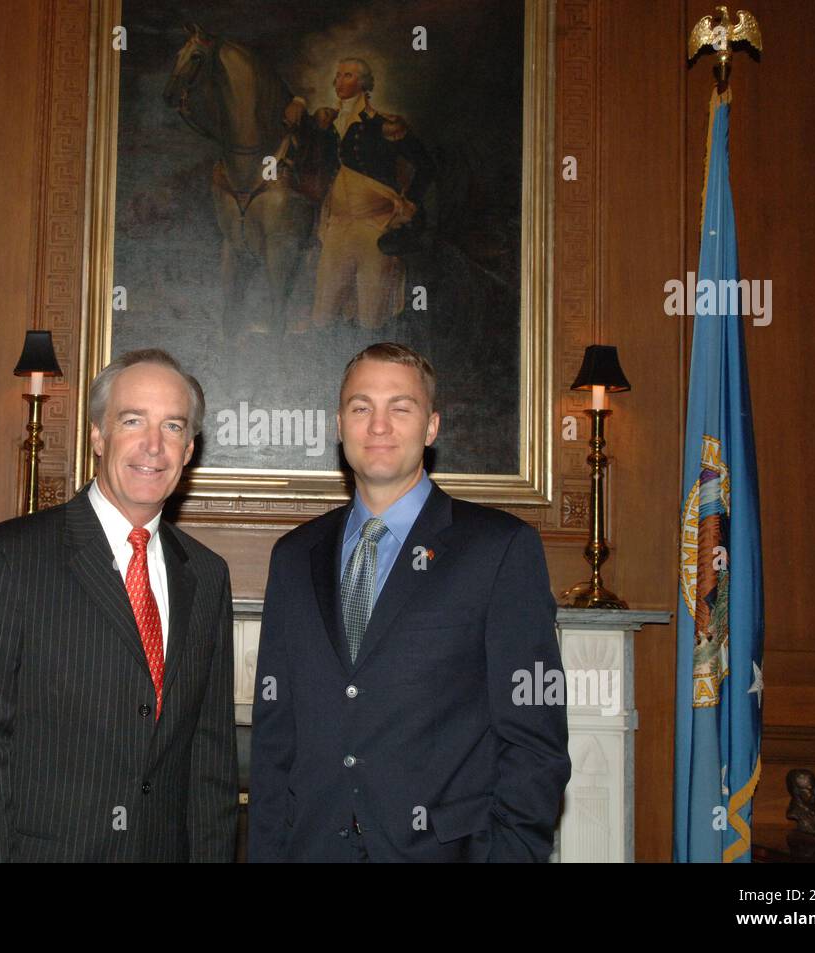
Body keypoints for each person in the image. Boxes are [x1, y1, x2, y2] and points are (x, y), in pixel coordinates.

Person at [249, 342, 570, 861]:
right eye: (361, 408)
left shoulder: (499, 549)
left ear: (432, 427)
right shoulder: (293, 557)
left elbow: (535, 742)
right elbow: (274, 740)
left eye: (400, 407)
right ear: (339, 425)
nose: (379, 426)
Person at [0, 348, 238, 861]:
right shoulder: (5, 559)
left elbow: (210, 763)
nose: (153, 446)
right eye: (133, 420)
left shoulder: (207, 576)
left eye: (174, 427)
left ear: (189, 450)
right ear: (98, 435)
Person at [284, 59, 435, 331]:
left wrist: (408, 205)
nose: (339, 81)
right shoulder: (328, 123)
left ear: (363, 83)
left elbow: (426, 165)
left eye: (348, 75)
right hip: (338, 225)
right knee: (324, 313)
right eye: (338, 75)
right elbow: (301, 138)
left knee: (371, 315)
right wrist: (298, 101)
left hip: (375, 226)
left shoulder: (384, 125)